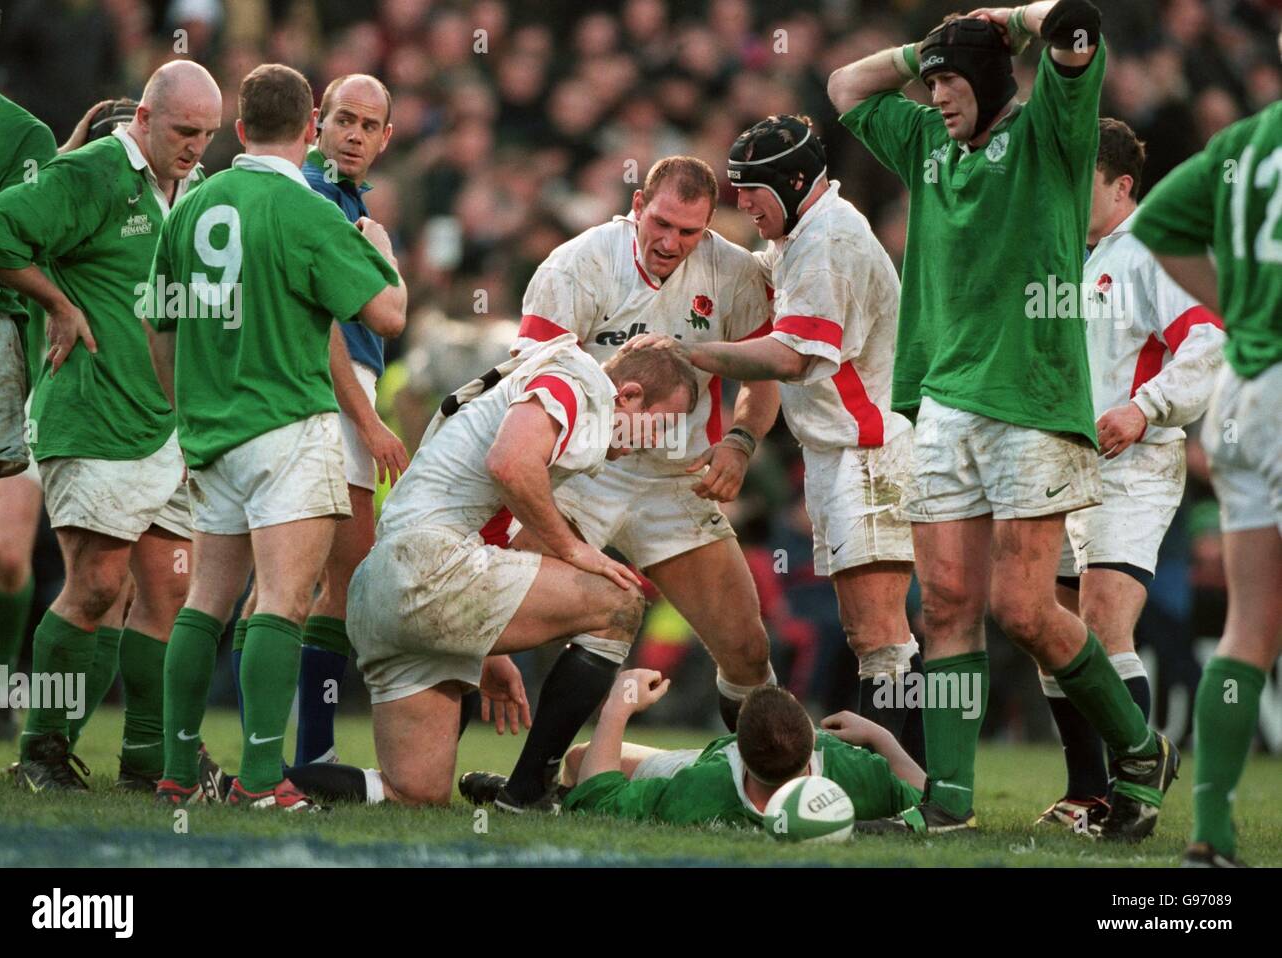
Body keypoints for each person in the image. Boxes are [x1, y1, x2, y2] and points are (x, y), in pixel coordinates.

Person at [828, 1, 1177, 839]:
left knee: (1024, 610)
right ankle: (947, 800)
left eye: (951, 82)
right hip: (944, 401)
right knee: (944, 606)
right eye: (933, 82)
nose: (938, 95)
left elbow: (1078, 24)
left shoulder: (1051, 135)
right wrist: (926, 48)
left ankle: (1138, 748)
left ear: (991, 77)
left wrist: (1015, 21)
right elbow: (844, 85)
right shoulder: (928, 144)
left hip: (1035, 400)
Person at [461, 155, 784, 813]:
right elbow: (529, 390)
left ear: (707, 227)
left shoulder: (736, 276)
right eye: (661, 222)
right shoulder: (576, 265)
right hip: (587, 470)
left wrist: (741, 443)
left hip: (676, 480)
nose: (670, 242)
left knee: (748, 652)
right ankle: (489, 782)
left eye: (689, 232)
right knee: (481, 623)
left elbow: (764, 379)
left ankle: (761, 794)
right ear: (638, 205)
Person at [146, 63, 405, 811]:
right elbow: (386, 315)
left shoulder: (192, 206)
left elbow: (156, 324)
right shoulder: (306, 210)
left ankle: (173, 770)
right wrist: (383, 250)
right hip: (288, 425)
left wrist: (185, 409)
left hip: (210, 433)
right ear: (308, 128)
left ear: (237, 129)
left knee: (207, 600)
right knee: (286, 602)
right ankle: (263, 777)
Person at [289, 337, 699, 808]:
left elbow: (498, 521)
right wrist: (574, 549)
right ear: (626, 395)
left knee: (414, 792)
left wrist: (490, 647)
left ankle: (260, 783)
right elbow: (509, 462)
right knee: (620, 602)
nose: (656, 441)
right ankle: (526, 793)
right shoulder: (577, 380)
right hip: (428, 567)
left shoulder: (551, 391)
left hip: (386, 588)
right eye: (660, 423)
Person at [627, 114, 923, 762]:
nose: (743, 205)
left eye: (751, 191)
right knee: (866, 630)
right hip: (835, 449)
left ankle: (911, 783)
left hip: (866, 448)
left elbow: (791, 355)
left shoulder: (829, 241)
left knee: (881, 632)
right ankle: (904, 779)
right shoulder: (799, 235)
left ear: (794, 182)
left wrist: (694, 354)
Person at [0, 60, 221, 792]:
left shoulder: (196, 192)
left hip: (168, 425)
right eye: (184, 131)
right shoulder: (91, 174)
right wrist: (57, 303)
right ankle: (41, 752)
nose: (194, 147)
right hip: (91, 414)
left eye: (207, 135)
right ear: (144, 119)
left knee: (167, 592)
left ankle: (146, 762)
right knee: (94, 585)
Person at [1038, 118, 1224, 831]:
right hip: (1056, 459)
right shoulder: (1068, 253)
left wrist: (1144, 409)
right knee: (1046, 629)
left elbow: (1206, 340)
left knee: (1102, 621)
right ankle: (1087, 788)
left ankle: (1136, 792)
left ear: (1121, 185)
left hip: (1132, 460)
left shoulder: (1156, 248)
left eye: (1078, 179)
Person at [1130, 32, 1282, 866]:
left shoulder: (1251, 142)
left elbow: (1156, 221)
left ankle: (1212, 835)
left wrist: (1243, 309)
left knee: (1252, 625)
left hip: (1242, 397)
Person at [229, 73, 409, 767]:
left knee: (336, 576)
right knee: (293, 581)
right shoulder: (306, 197)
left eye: (369, 124)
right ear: (315, 122)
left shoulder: (345, 201)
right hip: (318, 398)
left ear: (387, 136)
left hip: (332, 396)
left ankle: (306, 752)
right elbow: (331, 330)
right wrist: (366, 419)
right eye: (343, 120)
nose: (355, 134)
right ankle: (277, 751)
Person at [560, 670, 924, 828]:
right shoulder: (857, 773)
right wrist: (881, 737)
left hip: (707, 771)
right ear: (814, 738)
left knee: (579, 757)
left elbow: (599, 797)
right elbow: (928, 798)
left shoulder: (700, 787)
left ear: (736, 749)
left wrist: (618, 706)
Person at [0, 0, 58, 741]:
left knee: (5, 555)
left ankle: (1, 680)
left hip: (12, 352)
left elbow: (26, 244)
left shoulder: (25, 139)